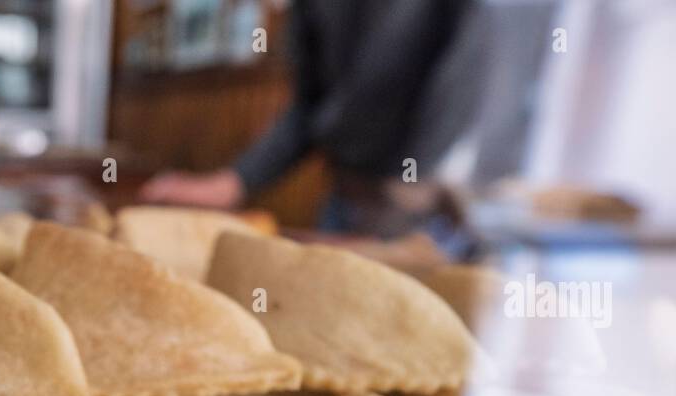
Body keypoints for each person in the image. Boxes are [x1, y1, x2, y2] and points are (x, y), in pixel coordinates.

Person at [140, 0, 495, 248]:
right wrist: (234, 181)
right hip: (344, 192)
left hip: (417, 204)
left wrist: (406, 182)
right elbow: (308, 108)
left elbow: (468, 76)